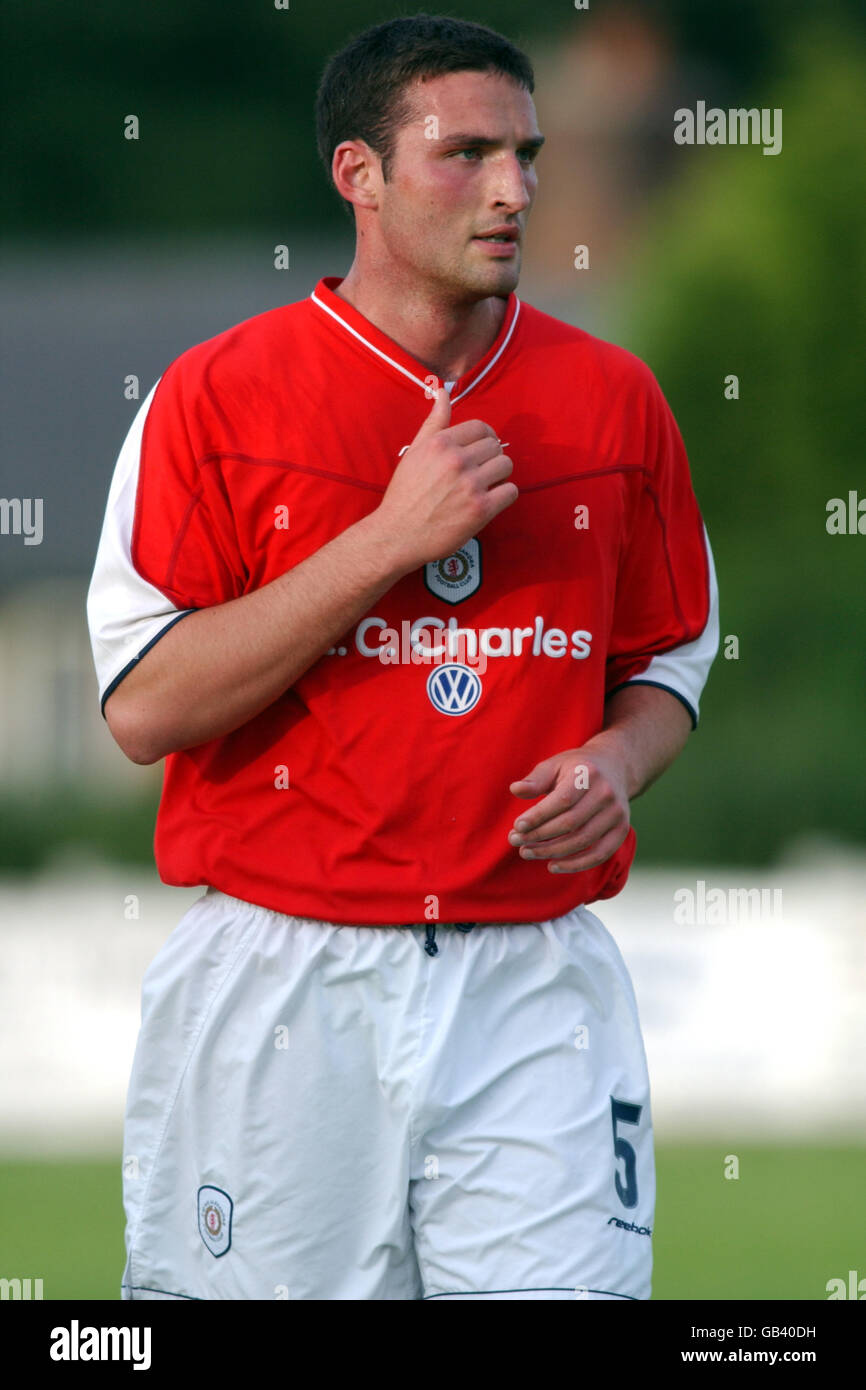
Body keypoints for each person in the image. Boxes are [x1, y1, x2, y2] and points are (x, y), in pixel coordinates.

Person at [87, 13, 719, 1301]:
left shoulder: (614, 400)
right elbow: (145, 708)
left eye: (528, 155)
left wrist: (619, 758)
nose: (515, 190)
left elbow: (672, 659)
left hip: (534, 977)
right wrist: (385, 543)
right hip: (283, 976)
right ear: (358, 176)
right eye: (467, 152)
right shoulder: (213, 400)